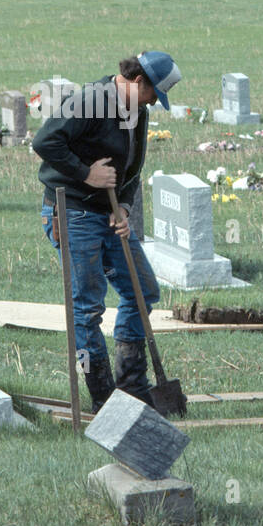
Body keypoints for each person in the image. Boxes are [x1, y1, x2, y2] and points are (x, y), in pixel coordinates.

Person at [33, 52, 182, 412]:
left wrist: (126, 208)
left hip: (109, 213)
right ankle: (101, 393)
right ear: (137, 81)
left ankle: (131, 384)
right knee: (87, 308)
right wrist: (86, 173)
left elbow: (132, 169)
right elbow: (45, 142)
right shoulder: (89, 101)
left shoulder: (137, 111)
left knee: (143, 291)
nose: (151, 103)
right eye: (151, 95)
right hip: (72, 211)